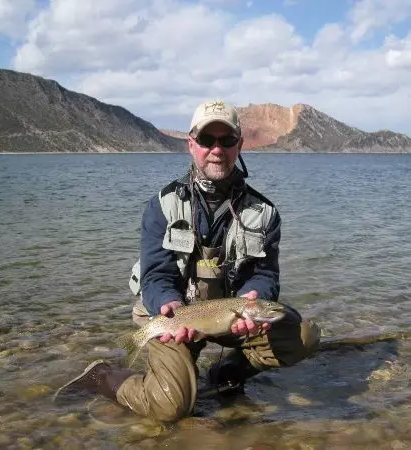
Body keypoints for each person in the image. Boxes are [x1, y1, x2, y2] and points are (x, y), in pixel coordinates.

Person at [54, 99, 321, 422]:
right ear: (191, 145)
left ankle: (226, 371)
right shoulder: (162, 206)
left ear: (239, 145)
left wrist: (256, 296)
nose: (217, 149)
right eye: (207, 140)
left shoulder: (265, 213)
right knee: (170, 407)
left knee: (302, 335)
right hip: (173, 319)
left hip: (233, 318)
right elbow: (154, 276)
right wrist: (167, 305)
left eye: (226, 141)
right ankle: (101, 376)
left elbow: (266, 275)